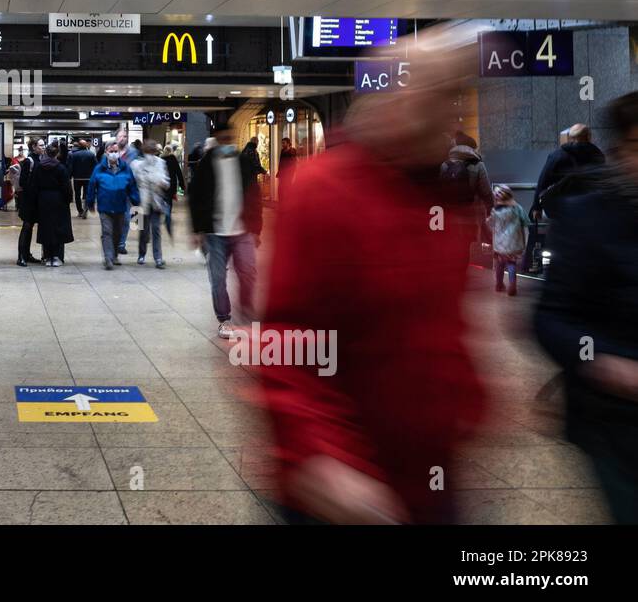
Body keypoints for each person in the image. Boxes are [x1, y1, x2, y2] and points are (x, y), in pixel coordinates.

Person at [259, 37, 486, 524]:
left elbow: (445, 322)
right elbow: (286, 340)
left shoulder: (442, 197)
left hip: (427, 473)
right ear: (395, 96)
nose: (451, 115)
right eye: (437, 95)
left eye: (457, 97)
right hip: (340, 487)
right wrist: (321, 456)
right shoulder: (324, 191)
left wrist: (468, 399)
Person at [535, 92, 638, 524]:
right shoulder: (588, 217)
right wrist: (602, 362)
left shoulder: (561, 165)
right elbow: (552, 318)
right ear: (620, 152)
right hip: (617, 419)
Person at [189, 125, 263, 337]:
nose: (226, 142)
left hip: (242, 230)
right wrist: (197, 230)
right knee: (218, 278)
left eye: (229, 138)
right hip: (215, 232)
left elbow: (254, 195)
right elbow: (196, 197)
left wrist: (256, 227)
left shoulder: (243, 162)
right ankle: (224, 318)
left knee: (248, 273)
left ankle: (247, 311)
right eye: (222, 138)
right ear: (216, 139)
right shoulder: (206, 164)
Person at [531, 123, 607, 221]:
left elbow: (543, 180)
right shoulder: (598, 156)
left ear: (570, 137)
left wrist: (537, 207)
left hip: (561, 207)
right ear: (589, 137)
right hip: (588, 207)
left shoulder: (557, 155)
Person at [87, 143, 140, 270]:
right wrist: (90, 202)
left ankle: (115, 255)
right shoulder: (99, 168)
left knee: (118, 233)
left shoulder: (125, 168)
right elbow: (92, 185)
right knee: (107, 232)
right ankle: (108, 258)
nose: (114, 153)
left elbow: (132, 185)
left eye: (116, 151)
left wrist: (136, 201)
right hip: (105, 206)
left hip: (121, 206)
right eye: (111, 151)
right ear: (106, 152)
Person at [30, 141, 74, 267]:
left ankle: (47, 256)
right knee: (58, 228)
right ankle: (57, 257)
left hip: (43, 200)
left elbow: (34, 185)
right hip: (58, 200)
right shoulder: (61, 168)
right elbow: (66, 187)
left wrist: (36, 200)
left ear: (46, 153)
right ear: (57, 154)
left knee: (45, 227)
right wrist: (68, 200)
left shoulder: (39, 167)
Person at [486, 184, 530, 297]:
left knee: (499, 265)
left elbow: (490, 224)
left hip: (500, 244)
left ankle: (499, 284)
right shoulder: (517, 208)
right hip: (514, 243)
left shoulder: (495, 210)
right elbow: (526, 221)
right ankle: (512, 285)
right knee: (511, 264)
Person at [132, 140, 170, 269]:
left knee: (156, 230)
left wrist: (163, 182)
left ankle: (158, 258)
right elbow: (134, 184)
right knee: (143, 230)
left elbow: (166, 181)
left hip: (156, 202)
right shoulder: (137, 165)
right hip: (141, 202)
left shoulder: (161, 163)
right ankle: (141, 254)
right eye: (147, 152)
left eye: (152, 152)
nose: (150, 155)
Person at [15, 139, 45, 266]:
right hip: (29, 200)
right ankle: (21, 256)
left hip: (37, 200)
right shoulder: (29, 161)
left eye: (44, 145)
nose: (43, 147)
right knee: (26, 227)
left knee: (30, 227)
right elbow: (22, 182)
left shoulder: (41, 159)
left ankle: (27, 254)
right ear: (33, 146)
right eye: (41, 145)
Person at [162, 144, 186, 237]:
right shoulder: (173, 159)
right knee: (169, 201)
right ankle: (167, 216)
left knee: (164, 200)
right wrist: (182, 185)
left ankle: (166, 214)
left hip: (163, 184)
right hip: (172, 185)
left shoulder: (161, 159)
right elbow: (178, 172)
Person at [68, 139, 96, 218]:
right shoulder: (91, 154)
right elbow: (96, 166)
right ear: (86, 145)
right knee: (87, 195)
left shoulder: (74, 155)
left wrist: (69, 176)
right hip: (88, 178)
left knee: (77, 195)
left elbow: (71, 167)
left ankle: (80, 211)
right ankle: (86, 209)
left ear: (79, 146)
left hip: (77, 178)